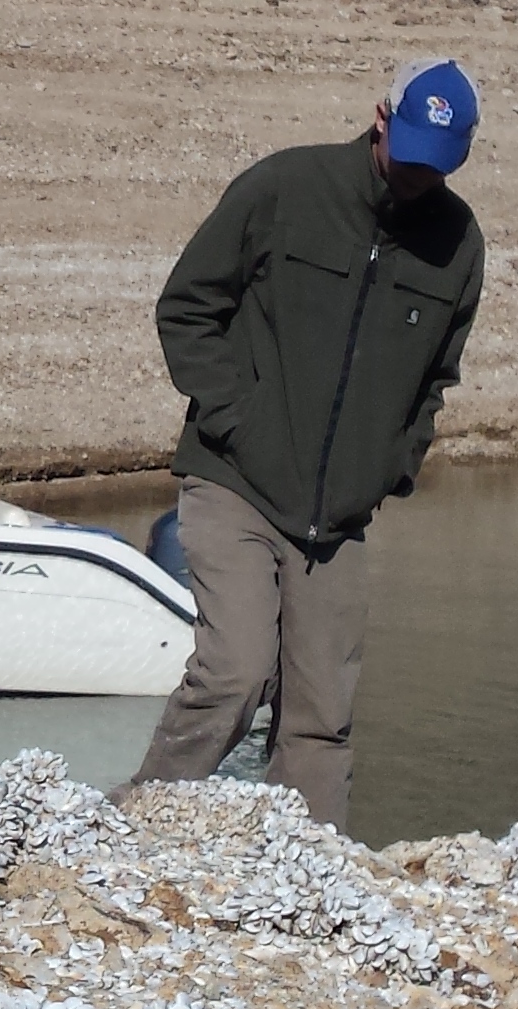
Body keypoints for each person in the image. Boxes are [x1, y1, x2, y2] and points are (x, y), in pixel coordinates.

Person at [125, 59, 487, 826]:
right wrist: (237, 419)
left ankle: (314, 878)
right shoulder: (286, 188)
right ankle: (132, 828)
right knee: (234, 671)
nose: (420, 176)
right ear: (381, 116)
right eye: (412, 152)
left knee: (322, 716)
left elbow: (436, 378)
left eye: (439, 164)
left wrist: (393, 464)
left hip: (341, 516)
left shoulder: (459, 243)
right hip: (235, 480)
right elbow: (186, 309)